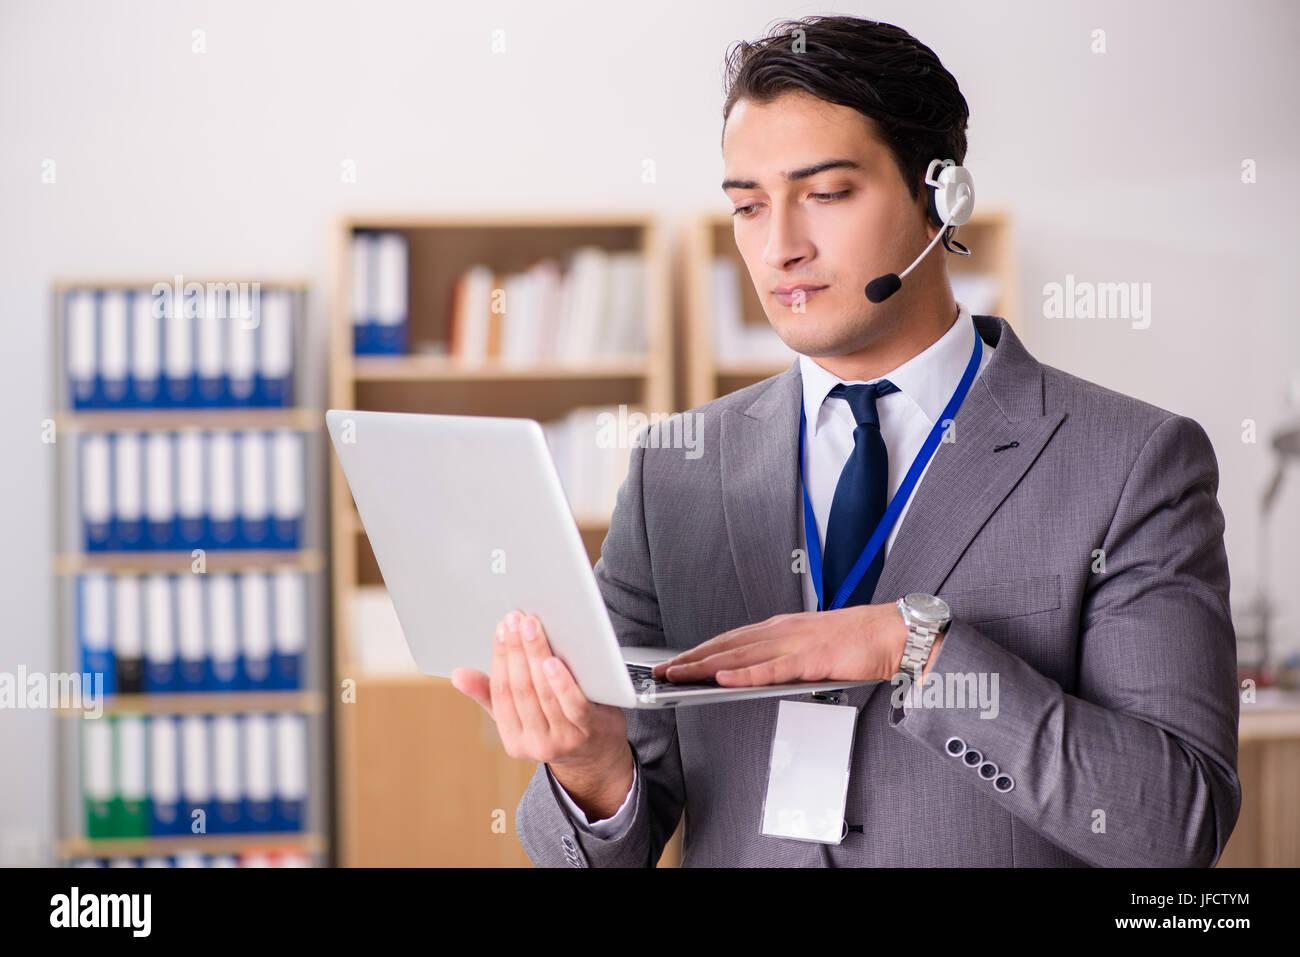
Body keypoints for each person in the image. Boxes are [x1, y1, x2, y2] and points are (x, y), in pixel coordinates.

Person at [451, 15, 1240, 867]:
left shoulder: (1129, 461)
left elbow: (1175, 825)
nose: (780, 247)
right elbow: (598, 843)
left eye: (826, 194)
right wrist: (588, 766)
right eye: (748, 206)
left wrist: (917, 652)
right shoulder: (675, 468)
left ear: (942, 198)